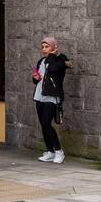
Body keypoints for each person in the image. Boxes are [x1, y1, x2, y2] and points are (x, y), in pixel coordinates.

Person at [31, 34, 70, 164]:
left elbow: (53, 69)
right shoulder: (41, 61)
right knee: (43, 124)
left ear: (53, 47)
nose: (44, 49)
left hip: (51, 96)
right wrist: (35, 78)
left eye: (47, 46)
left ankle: (59, 151)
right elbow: (37, 79)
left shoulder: (60, 60)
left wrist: (52, 55)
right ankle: (50, 151)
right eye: (42, 46)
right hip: (39, 95)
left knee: (47, 123)